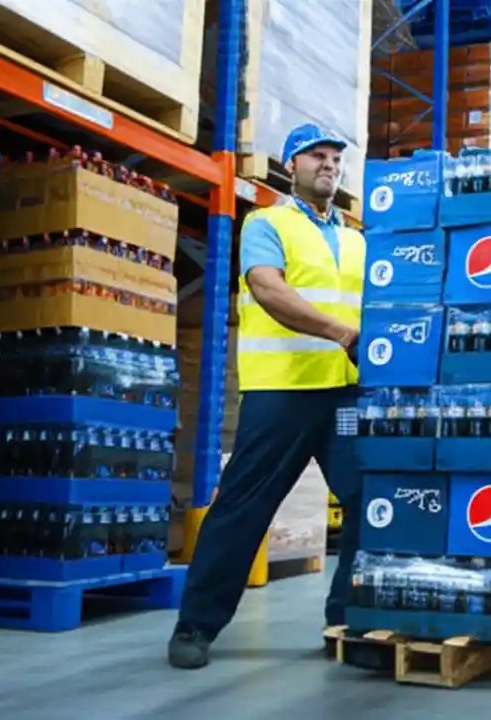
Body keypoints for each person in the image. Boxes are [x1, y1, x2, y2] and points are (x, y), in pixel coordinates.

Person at [167, 123, 365, 670]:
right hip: (281, 393)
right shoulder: (266, 223)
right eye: (316, 157)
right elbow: (267, 289)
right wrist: (342, 334)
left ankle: (345, 619)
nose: (328, 165)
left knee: (366, 499)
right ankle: (195, 626)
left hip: (344, 398)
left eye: (334, 158)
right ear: (291, 167)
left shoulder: (355, 239)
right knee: (242, 508)